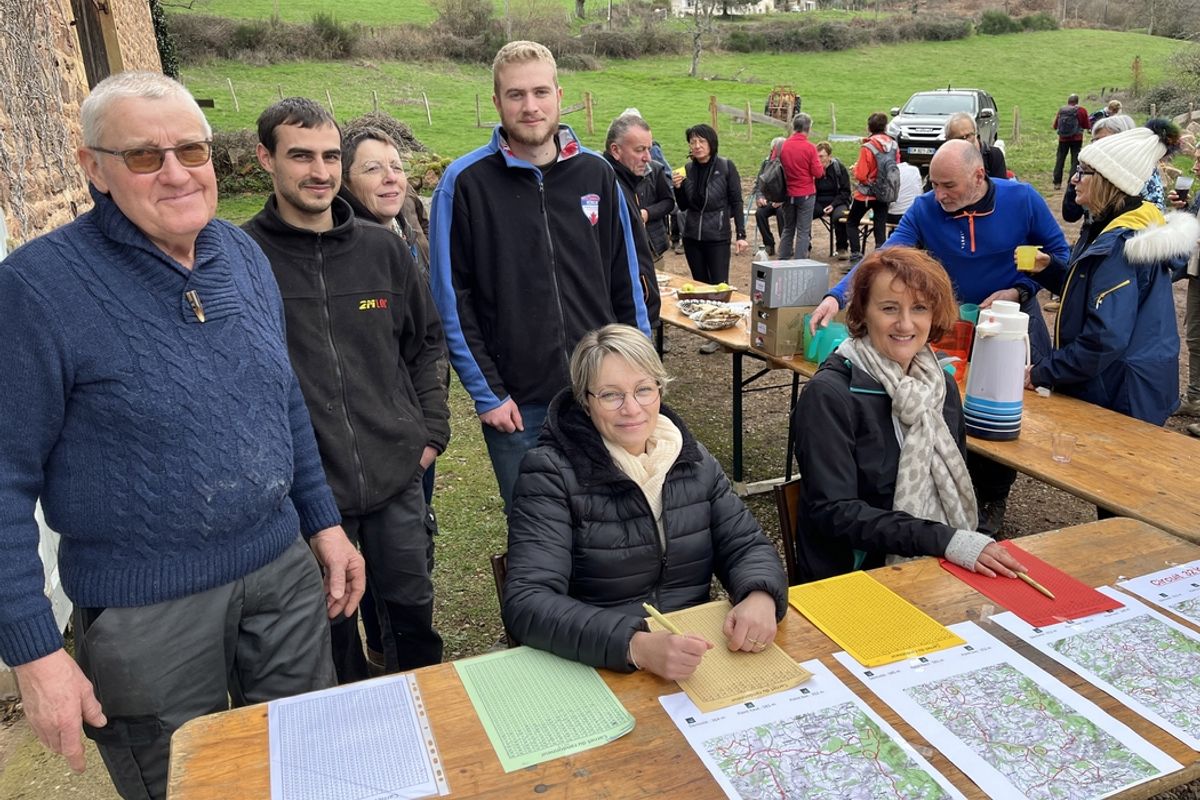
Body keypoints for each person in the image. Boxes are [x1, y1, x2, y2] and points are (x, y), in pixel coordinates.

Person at [0, 71, 364, 800]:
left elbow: (282, 397)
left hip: (280, 574)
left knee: (308, 770)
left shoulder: (241, 254)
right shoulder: (35, 290)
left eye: (192, 151)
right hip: (146, 609)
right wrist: (34, 653)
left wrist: (322, 523)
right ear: (92, 169)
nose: (175, 173)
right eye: (143, 156)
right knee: (183, 789)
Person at [245, 99, 450, 682]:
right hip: (306, 496)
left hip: (394, 479)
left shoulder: (382, 249)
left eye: (331, 156)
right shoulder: (243, 258)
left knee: (412, 622)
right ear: (266, 158)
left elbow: (426, 343)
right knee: (331, 636)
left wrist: (430, 432)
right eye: (301, 156)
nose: (320, 171)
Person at [430, 40, 649, 514]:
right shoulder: (464, 183)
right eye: (515, 95)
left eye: (540, 92)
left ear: (558, 94)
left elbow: (626, 283)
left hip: (602, 391)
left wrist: (638, 375)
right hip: (518, 405)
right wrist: (488, 394)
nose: (530, 107)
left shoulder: (597, 174)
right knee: (537, 533)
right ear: (496, 102)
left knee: (616, 520)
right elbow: (451, 299)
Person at [810, 139, 1071, 534]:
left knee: (1004, 409)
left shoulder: (1022, 199)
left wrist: (1020, 289)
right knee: (953, 400)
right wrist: (837, 295)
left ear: (979, 175)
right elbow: (885, 256)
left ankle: (993, 494)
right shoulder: (927, 208)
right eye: (934, 184)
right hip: (950, 322)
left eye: (949, 185)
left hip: (1009, 321)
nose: (940, 195)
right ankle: (947, 481)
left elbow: (1060, 259)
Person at [502, 324, 788, 679]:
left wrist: (760, 594)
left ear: (659, 390)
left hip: (696, 653)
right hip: (598, 663)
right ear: (585, 401)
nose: (632, 409)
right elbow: (528, 600)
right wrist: (634, 645)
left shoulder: (692, 459)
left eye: (643, 390)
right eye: (611, 395)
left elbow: (747, 546)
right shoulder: (550, 473)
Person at [791, 247, 1026, 583]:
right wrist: (946, 540)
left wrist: (954, 541)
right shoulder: (830, 395)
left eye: (919, 308)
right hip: (854, 576)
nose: (904, 323)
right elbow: (835, 513)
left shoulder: (940, 386)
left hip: (934, 559)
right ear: (862, 314)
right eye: (889, 308)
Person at [1028, 122, 1198, 427]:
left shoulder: (1121, 242)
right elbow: (1089, 292)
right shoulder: (1107, 226)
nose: (1074, 180)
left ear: (1108, 180)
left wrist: (1043, 372)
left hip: (1123, 391)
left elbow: (1104, 338)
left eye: (1083, 172)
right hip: (1125, 381)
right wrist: (1049, 270)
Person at [602, 112, 664, 328]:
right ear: (615, 150)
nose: (648, 157)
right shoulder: (610, 188)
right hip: (625, 317)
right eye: (639, 150)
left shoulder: (629, 183)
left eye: (649, 148)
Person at [672, 123, 748, 286]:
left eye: (701, 141)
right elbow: (684, 206)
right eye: (693, 142)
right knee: (700, 285)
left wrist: (741, 235)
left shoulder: (726, 166)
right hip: (692, 237)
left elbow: (737, 201)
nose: (697, 146)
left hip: (717, 237)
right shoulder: (688, 169)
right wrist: (677, 188)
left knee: (719, 286)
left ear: (711, 143)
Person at [1168, 150, 1200, 432]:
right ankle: (1195, 398)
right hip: (1197, 274)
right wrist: (1183, 210)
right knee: (1195, 337)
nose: (1195, 166)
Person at [846, 112, 897, 261]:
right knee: (880, 224)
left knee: (852, 222)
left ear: (869, 127)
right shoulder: (893, 145)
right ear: (885, 126)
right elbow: (896, 165)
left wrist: (855, 169)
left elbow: (861, 174)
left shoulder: (867, 147)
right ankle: (880, 256)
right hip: (885, 191)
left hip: (866, 193)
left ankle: (856, 255)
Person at [778, 112, 824, 259]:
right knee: (803, 231)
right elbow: (818, 172)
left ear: (794, 126)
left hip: (787, 192)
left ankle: (783, 259)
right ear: (808, 128)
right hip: (805, 193)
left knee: (788, 228)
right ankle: (799, 262)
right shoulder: (810, 148)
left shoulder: (783, 145)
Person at [812, 140, 852, 259]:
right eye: (816, 156)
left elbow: (845, 191)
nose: (819, 159)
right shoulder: (813, 169)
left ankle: (842, 248)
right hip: (818, 201)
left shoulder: (838, 168)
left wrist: (833, 205)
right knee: (804, 212)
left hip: (837, 200)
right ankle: (806, 246)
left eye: (821, 156)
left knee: (840, 217)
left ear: (829, 156)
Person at [943, 111, 1007, 180]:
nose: (965, 142)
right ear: (948, 140)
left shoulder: (993, 156)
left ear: (976, 133)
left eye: (967, 136)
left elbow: (1000, 187)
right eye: (959, 139)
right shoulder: (942, 160)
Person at [752, 136, 787, 256]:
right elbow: (759, 183)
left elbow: (793, 186)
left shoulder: (789, 163)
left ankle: (785, 245)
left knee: (781, 213)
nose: (774, 152)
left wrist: (783, 201)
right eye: (773, 150)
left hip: (784, 201)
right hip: (769, 199)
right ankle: (769, 244)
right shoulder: (766, 163)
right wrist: (760, 197)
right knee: (760, 213)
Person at [1052, 93, 1090, 190]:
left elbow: (1055, 126)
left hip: (1063, 139)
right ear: (1077, 101)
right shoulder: (1081, 110)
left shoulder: (1062, 110)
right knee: (1075, 160)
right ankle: (1071, 183)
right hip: (1077, 139)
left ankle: (1057, 182)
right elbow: (1086, 125)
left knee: (1060, 159)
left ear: (1068, 101)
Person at [888, 160, 923, 224]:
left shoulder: (891, 171)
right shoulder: (915, 170)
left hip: (893, 216)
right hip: (912, 215)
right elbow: (920, 191)